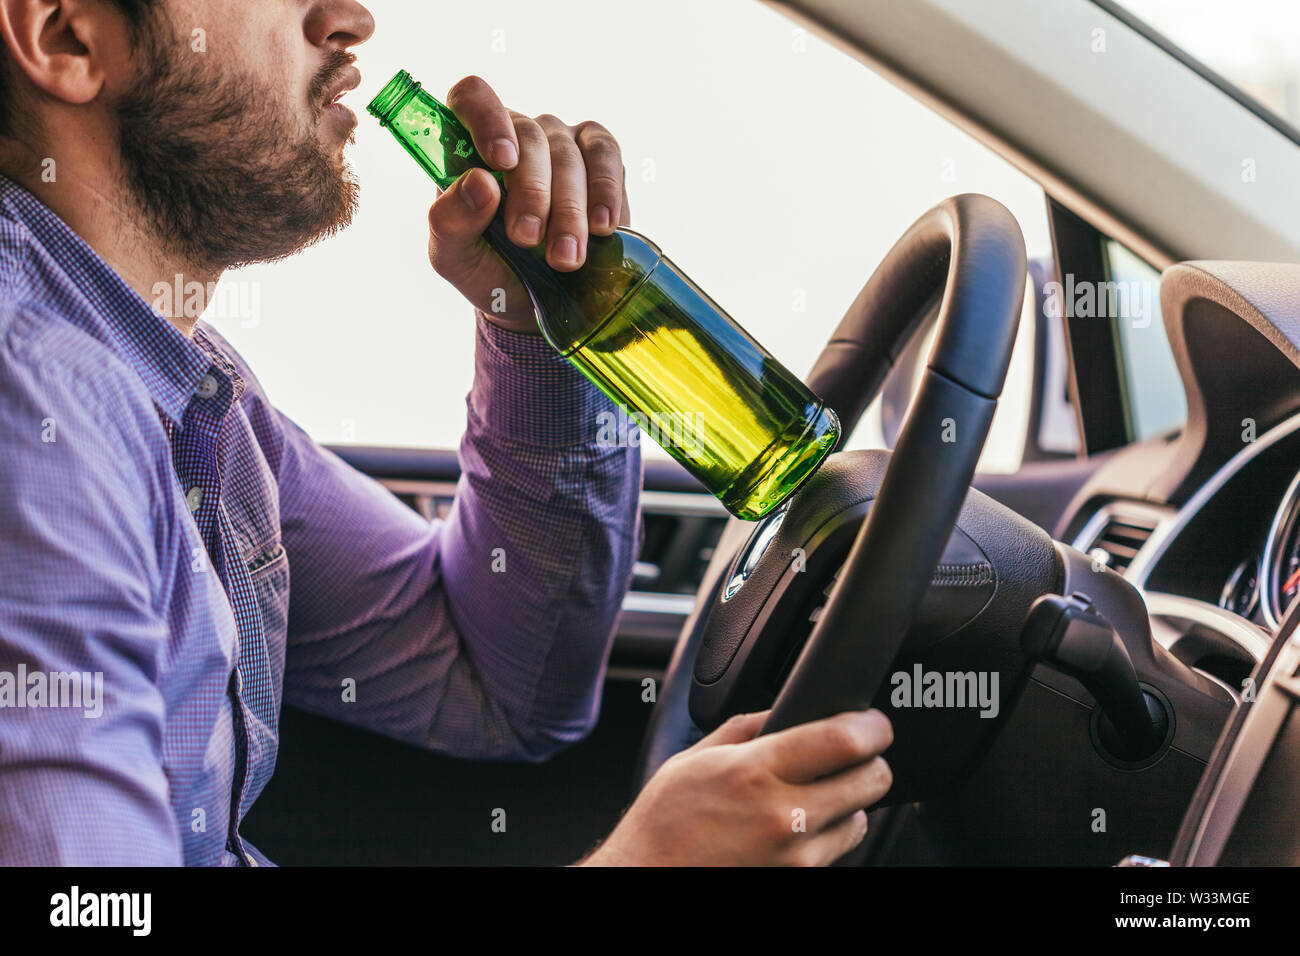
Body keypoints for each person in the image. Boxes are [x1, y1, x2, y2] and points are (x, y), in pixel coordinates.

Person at [0, 0, 893, 866]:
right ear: (66, 35)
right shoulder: (34, 408)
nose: (348, 18)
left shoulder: (193, 392)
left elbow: (498, 686)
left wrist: (531, 316)